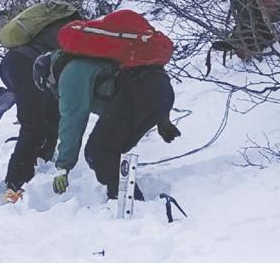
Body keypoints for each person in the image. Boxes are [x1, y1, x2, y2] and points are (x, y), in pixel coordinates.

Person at [36, 52, 179, 201]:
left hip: (141, 90)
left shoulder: (70, 74)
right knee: (110, 149)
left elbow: (72, 119)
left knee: (97, 152)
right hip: (162, 89)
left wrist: (63, 166)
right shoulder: (88, 61)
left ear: (48, 77)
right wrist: (163, 120)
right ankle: (127, 198)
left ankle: (126, 201)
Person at [0, 2, 81, 202]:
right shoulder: (77, 32)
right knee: (33, 125)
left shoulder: (65, 23)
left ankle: (41, 161)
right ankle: (14, 185)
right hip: (26, 66)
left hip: (17, 64)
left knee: (53, 115)